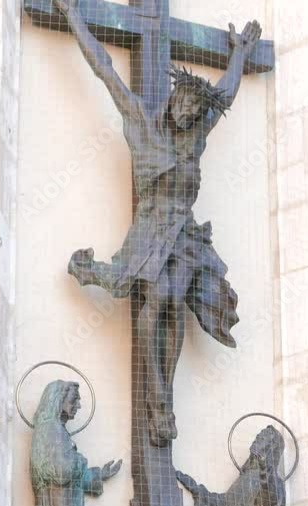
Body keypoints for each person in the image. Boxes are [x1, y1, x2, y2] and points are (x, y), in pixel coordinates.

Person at [53, 0, 262, 447]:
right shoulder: (143, 124)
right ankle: (157, 395)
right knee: (160, 296)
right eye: (185, 105)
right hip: (151, 229)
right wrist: (72, 15)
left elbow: (225, 95)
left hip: (184, 234)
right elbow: (105, 70)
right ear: (174, 97)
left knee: (174, 301)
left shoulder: (196, 136)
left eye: (195, 111)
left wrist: (240, 53)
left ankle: (162, 393)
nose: (188, 114)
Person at [30, 380, 124, 506]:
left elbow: (69, 474)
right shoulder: (50, 430)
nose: (78, 405)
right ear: (58, 399)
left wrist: (99, 475)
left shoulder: (58, 431)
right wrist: (80, 460)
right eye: (74, 400)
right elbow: (61, 472)